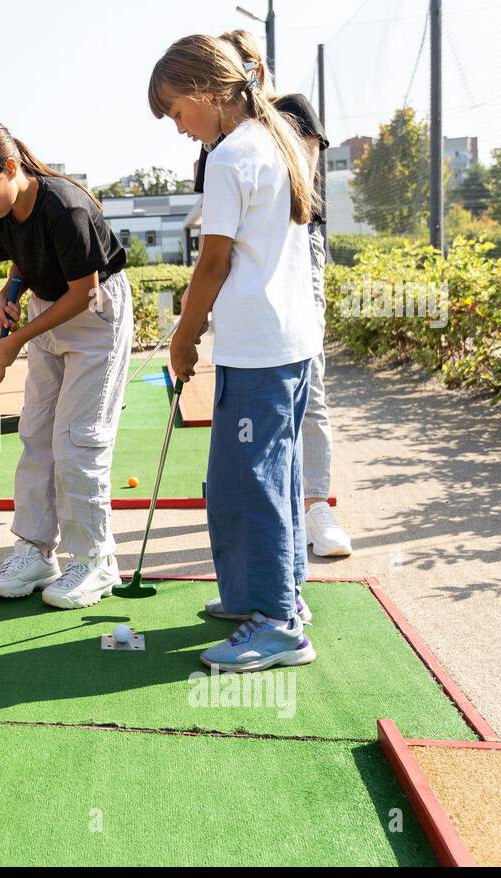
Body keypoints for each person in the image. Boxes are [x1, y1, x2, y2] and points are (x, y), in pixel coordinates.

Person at [150, 34, 321, 671]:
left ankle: (278, 625)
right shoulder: (278, 138)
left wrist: (183, 335)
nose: (178, 128)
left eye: (176, 112)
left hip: (258, 349)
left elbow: (212, 262)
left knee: (256, 484)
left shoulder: (229, 158)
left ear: (203, 90)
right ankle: (278, 596)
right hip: (288, 342)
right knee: (253, 477)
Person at [0, 119, 133, 609]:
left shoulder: (66, 206)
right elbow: (22, 260)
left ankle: (95, 560)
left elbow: (84, 293)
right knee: (36, 431)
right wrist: (10, 293)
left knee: (77, 438)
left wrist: (18, 339)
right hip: (47, 309)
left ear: (11, 167)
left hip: (93, 315)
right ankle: (35, 550)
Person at [185, 29, 353, 558]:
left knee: (307, 385)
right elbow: (218, 237)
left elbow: (299, 195)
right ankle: (276, 554)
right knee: (258, 446)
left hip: (295, 256)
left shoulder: (285, 118)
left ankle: (315, 505)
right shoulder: (221, 146)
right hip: (250, 272)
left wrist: (186, 330)